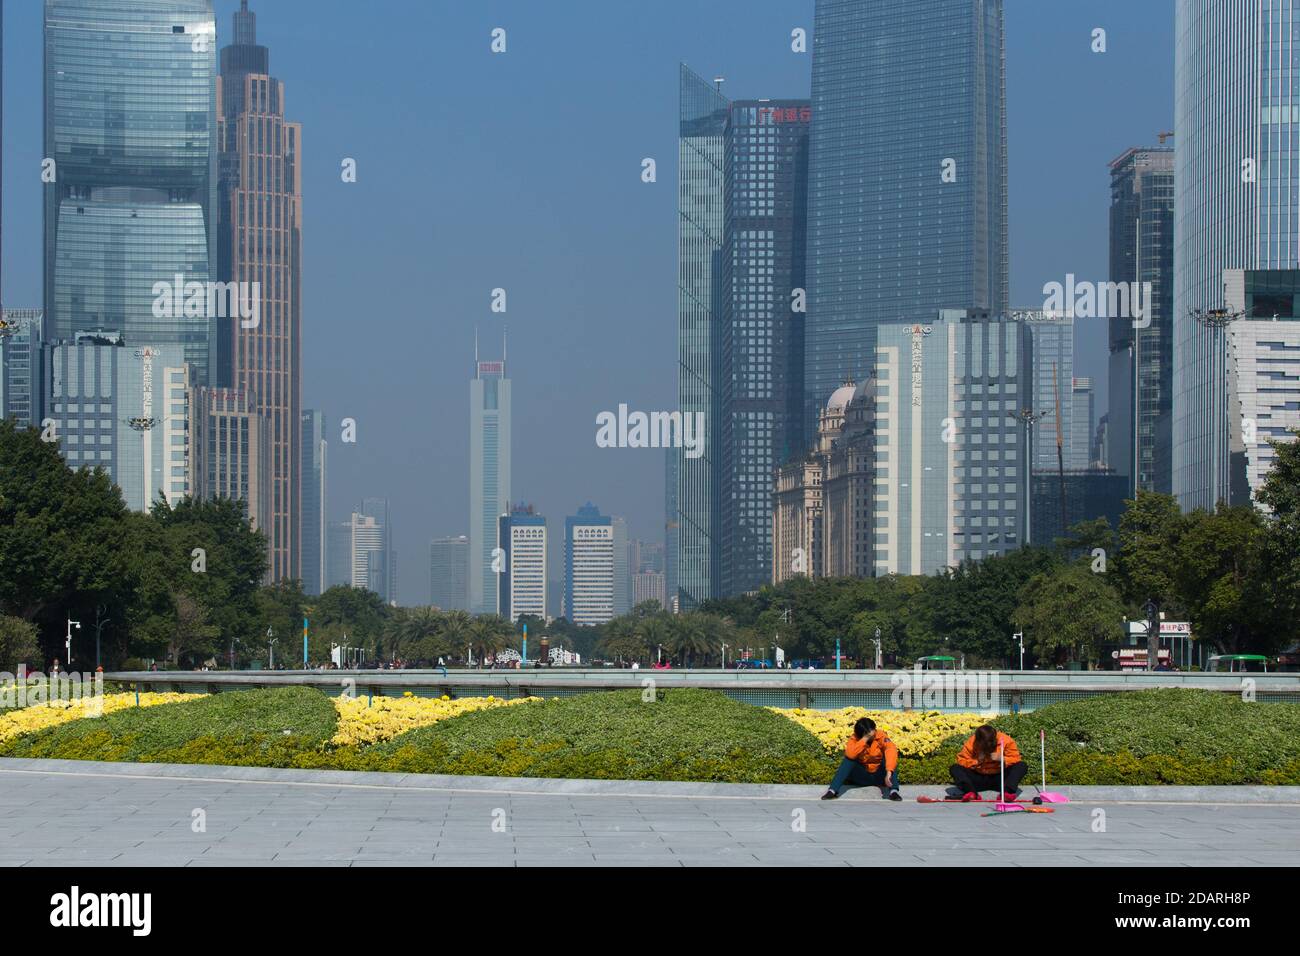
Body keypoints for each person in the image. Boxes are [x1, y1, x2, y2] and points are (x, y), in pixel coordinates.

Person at [821, 718, 901, 801]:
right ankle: (832, 790)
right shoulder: (855, 738)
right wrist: (865, 739)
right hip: (861, 775)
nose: (873, 733)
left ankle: (893, 791)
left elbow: (891, 749)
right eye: (869, 733)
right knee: (849, 759)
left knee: (890, 757)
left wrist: (889, 772)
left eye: (873, 730)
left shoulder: (880, 735)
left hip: (880, 776)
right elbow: (850, 754)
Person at [949, 725, 1024, 801]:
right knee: (955, 768)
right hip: (979, 777)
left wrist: (1002, 759)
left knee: (1021, 766)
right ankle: (971, 792)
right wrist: (977, 761)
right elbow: (961, 760)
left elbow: (1016, 759)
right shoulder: (971, 742)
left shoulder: (1006, 740)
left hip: (1000, 779)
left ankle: (1006, 793)